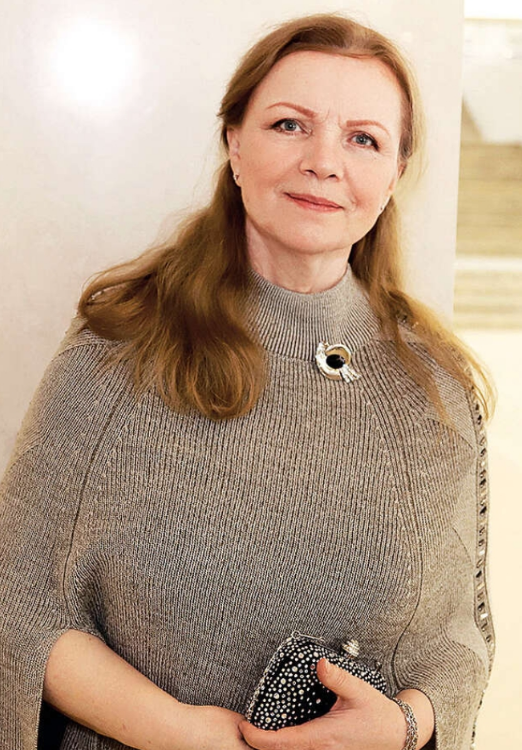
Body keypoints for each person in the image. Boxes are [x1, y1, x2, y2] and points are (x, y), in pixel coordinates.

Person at [0, 12, 496, 750]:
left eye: (363, 139)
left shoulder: (435, 386)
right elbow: (18, 597)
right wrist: (180, 733)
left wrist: (400, 725)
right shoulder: (120, 347)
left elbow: (460, 642)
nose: (324, 162)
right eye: (291, 125)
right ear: (234, 143)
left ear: (395, 174)